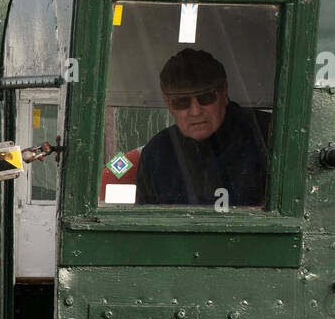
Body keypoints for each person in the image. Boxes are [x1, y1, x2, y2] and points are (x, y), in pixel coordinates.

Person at [103, 49, 271, 206]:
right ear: (168, 103)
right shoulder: (157, 153)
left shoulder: (268, 137)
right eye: (181, 101)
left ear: (224, 92)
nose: (195, 111)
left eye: (206, 97)